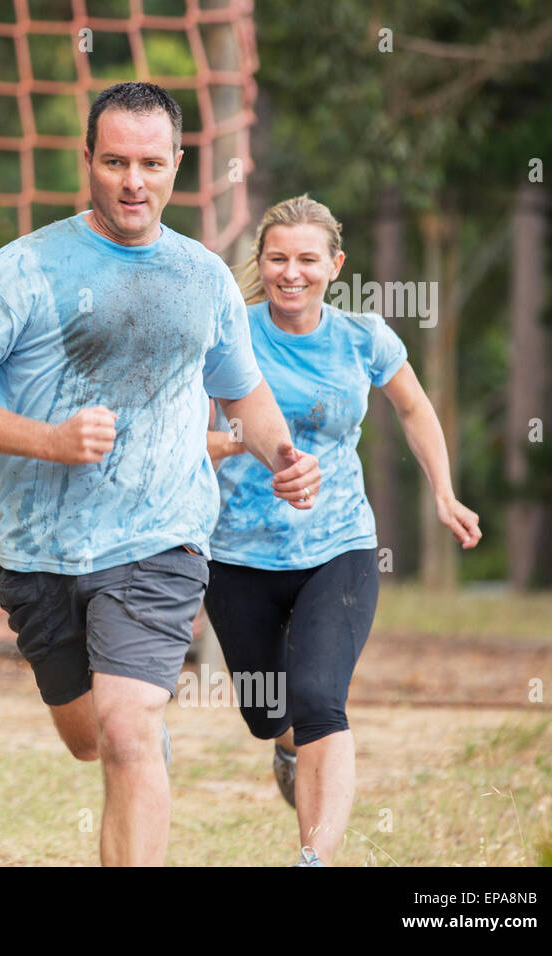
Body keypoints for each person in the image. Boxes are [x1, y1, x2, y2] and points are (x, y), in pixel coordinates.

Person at [0, 81, 322, 866]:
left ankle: (140, 747)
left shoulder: (204, 276)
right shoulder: (24, 268)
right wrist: (48, 441)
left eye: (149, 162)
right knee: (91, 739)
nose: (132, 181)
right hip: (39, 551)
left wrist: (283, 456)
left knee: (127, 727)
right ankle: (137, 742)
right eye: (114, 162)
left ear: (177, 164)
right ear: (88, 162)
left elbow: (242, 392)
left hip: (159, 541)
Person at [204, 194, 482, 866]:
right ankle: (286, 745)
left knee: (320, 696)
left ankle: (315, 857)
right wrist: (245, 445)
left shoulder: (365, 338)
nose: (290, 273)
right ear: (261, 263)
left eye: (306, 259)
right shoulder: (227, 335)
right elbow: (188, 436)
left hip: (340, 547)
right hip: (238, 554)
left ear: (335, 265)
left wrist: (444, 489)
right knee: (270, 713)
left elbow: (414, 409)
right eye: (277, 259)